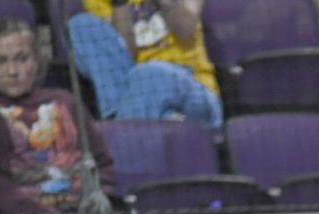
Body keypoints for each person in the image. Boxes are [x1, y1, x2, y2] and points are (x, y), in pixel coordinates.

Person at [0, 18, 115, 214]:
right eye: (0, 61)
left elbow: (101, 163)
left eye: (22, 59)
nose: (12, 71)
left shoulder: (66, 100)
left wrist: (97, 200)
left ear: (38, 61)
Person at [68, 0, 223, 129]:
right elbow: (121, 57)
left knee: (148, 74)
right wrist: (120, 4)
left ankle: (118, 134)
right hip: (141, 95)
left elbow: (185, 29)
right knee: (80, 25)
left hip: (193, 87)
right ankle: (128, 121)